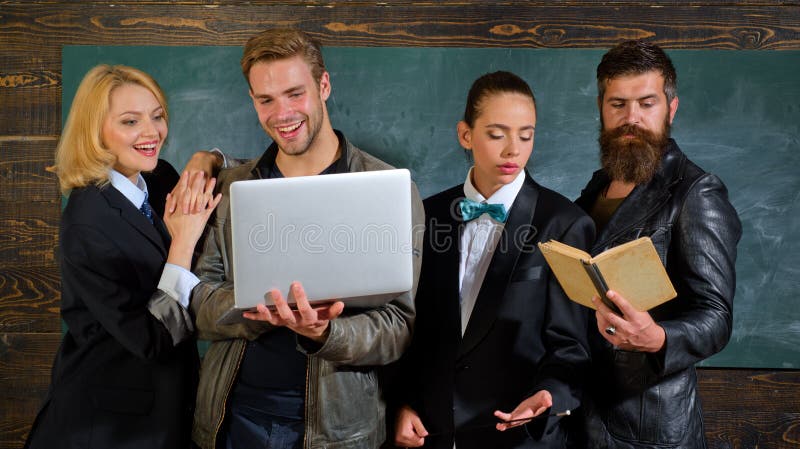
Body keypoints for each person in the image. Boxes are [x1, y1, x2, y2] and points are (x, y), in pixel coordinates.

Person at [189, 28, 424, 449]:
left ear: (324, 86)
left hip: (336, 435)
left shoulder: (386, 187)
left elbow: (397, 327)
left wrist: (325, 332)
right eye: (266, 100)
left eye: (295, 94)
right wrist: (258, 310)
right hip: (231, 421)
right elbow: (200, 302)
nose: (282, 113)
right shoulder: (233, 186)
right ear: (253, 101)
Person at [392, 71, 593, 449]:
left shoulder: (566, 223)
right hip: (428, 435)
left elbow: (571, 345)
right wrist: (400, 404)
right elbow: (407, 329)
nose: (512, 150)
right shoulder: (425, 213)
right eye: (497, 134)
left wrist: (550, 395)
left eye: (526, 135)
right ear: (465, 135)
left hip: (516, 436)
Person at [24, 64, 221, 449]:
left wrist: (206, 158)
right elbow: (152, 340)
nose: (152, 133)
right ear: (96, 131)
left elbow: (219, 179)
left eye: (157, 116)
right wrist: (182, 246)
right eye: (131, 121)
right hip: (108, 423)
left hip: (168, 406)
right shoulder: (86, 222)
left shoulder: (159, 176)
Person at [575, 40, 742, 448]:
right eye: (618, 104)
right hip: (581, 416)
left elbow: (716, 316)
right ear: (601, 106)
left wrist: (660, 338)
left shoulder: (697, 192)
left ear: (671, 108)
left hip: (648, 429)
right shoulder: (597, 186)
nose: (631, 118)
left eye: (646, 103)